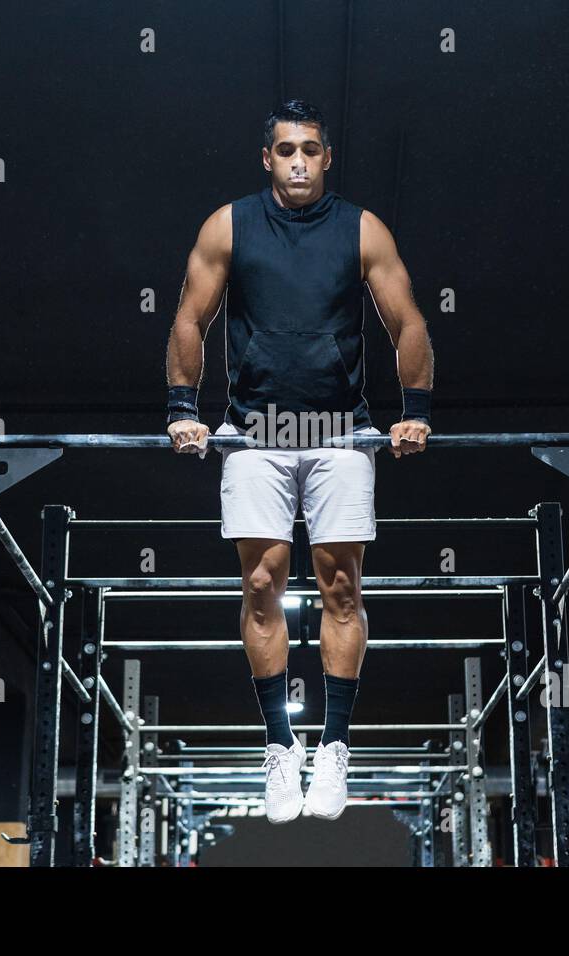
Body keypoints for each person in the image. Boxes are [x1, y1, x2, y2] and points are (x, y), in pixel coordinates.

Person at [164, 100, 434, 823]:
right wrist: (182, 410)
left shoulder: (362, 228)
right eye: (285, 150)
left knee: (341, 587)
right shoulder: (229, 224)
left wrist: (417, 409)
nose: (297, 162)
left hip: (339, 433)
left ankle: (334, 748)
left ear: (326, 157)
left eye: (310, 150)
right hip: (254, 433)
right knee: (260, 584)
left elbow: (406, 318)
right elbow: (191, 315)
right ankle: (281, 746)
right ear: (266, 159)